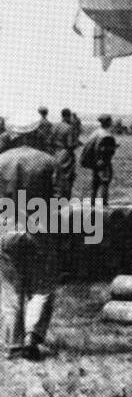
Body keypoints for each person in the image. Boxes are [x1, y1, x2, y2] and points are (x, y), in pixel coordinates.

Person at [0, 122, 61, 360]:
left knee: (10, 289)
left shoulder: (2, 160)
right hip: (39, 228)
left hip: (5, 228)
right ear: (36, 133)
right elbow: (60, 199)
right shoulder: (48, 161)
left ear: (14, 134)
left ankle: (13, 344)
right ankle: (32, 336)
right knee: (43, 286)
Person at [82, 114, 117, 206]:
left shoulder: (96, 132)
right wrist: (113, 148)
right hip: (104, 163)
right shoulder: (107, 135)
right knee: (105, 183)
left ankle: (92, 205)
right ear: (108, 122)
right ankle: (104, 206)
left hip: (95, 163)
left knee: (95, 185)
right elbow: (105, 150)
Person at [50, 109, 78, 199]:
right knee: (67, 178)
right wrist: (77, 143)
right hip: (66, 154)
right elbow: (70, 144)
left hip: (55, 154)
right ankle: (65, 201)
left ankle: (56, 199)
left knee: (56, 178)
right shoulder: (69, 128)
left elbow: (50, 141)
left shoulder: (55, 126)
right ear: (68, 116)